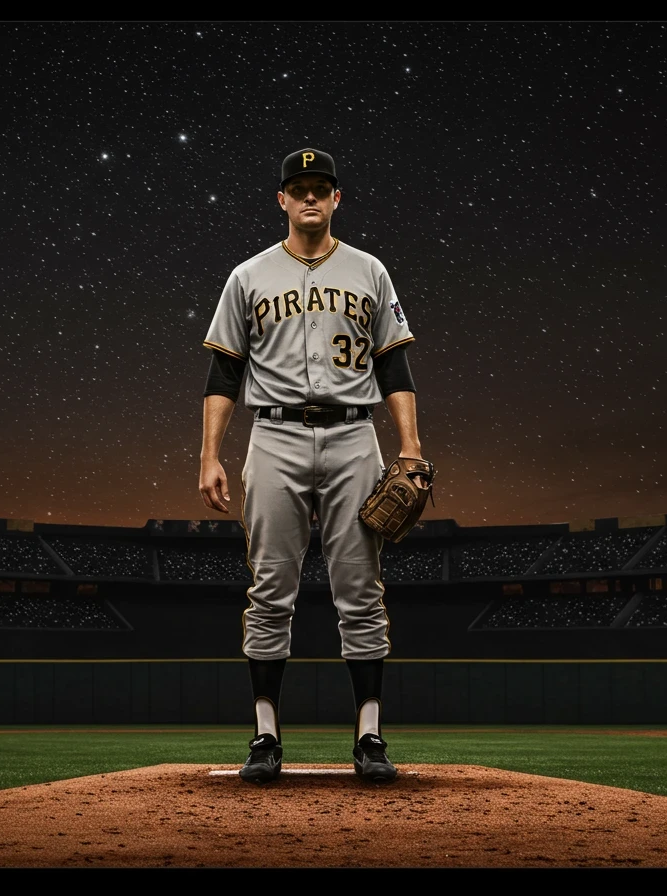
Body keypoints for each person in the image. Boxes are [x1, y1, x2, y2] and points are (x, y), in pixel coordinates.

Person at [198, 147, 426, 784]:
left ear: (336, 199)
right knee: (270, 591)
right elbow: (223, 371)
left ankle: (370, 735)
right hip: (273, 438)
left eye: (320, 188)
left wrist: (410, 448)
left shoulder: (370, 270)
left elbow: (394, 365)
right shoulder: (247, 276)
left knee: (362, 593)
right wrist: (210, 455)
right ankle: (266, 735)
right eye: (297, 187)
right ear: (281, 198)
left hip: (356, 437)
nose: (308, 197)